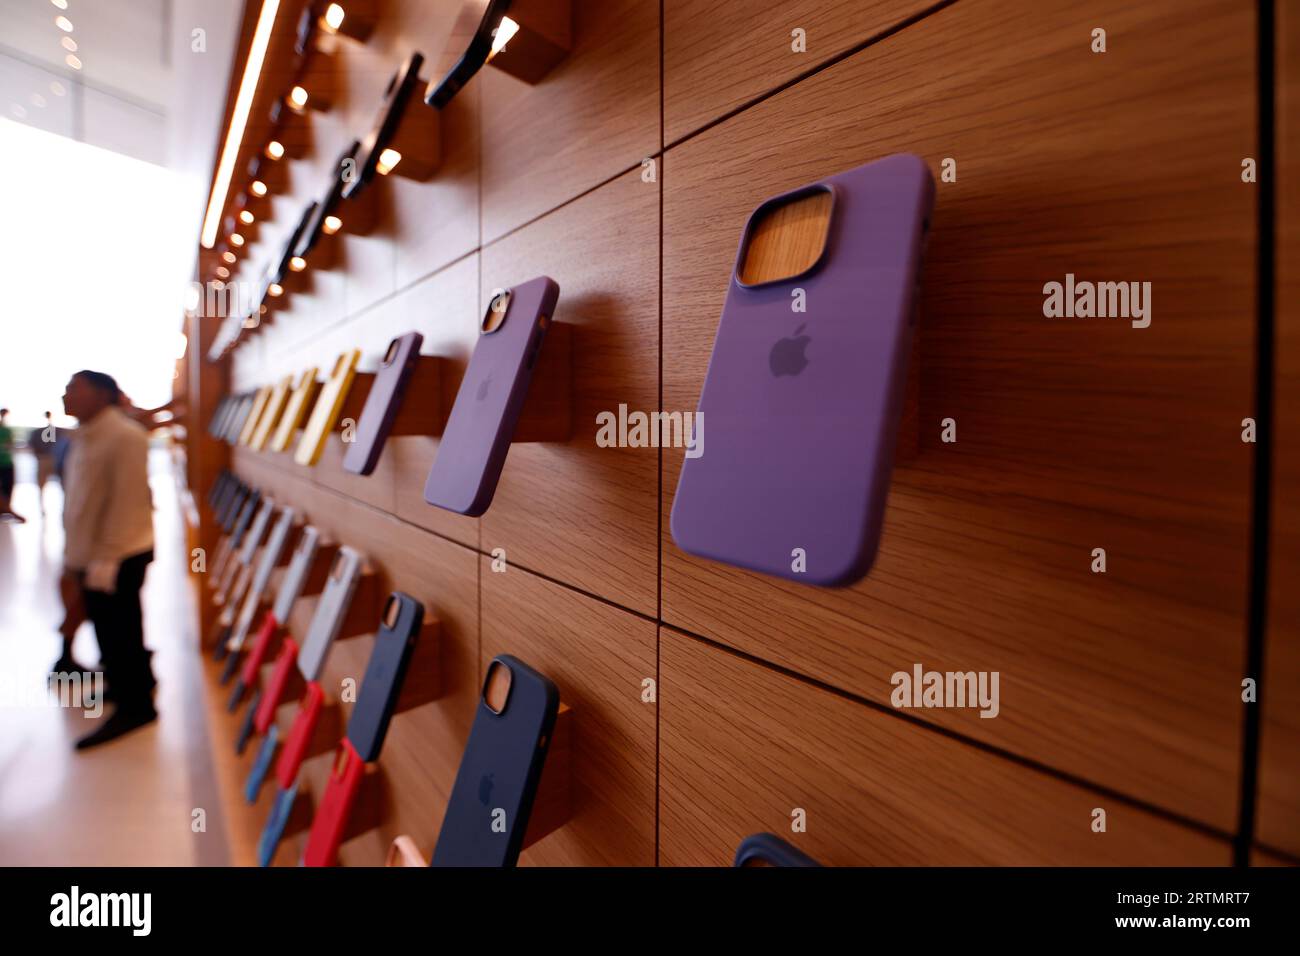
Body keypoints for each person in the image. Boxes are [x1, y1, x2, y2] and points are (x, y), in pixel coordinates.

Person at [60, 371, 157, 749]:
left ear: (101, 395)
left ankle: (136, 707)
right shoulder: (85, 435)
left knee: (122, 632)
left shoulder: (124, 436)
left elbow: (128, 505)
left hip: (117, 556)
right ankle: (123, 687)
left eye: (74, 389)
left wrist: (104, 562)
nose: (66, 396)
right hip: (95, 556)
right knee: (108, 631)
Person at [29, 410, 57, 516]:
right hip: (47, 459)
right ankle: (42, 508)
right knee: (41, 486)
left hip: (49, 459)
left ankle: (42, 508)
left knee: (42, 485)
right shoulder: (45, 431)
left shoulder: (50, 431)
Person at [0, 408, 24, 523]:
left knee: (8, 487)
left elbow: (10, 444)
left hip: (7, 462)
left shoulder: (7, 430)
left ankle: (5, 509)